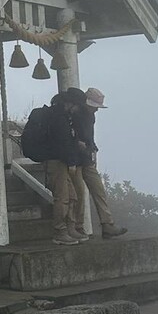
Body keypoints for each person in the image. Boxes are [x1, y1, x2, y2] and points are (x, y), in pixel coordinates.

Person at [72, 86, 127, 239]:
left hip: (87, 158)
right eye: (94, 106)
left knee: (99, 190)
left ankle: (107, 224)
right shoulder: (74, 114)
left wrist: (92, 149)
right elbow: (69, 135)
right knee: (79, 193)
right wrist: (78, 143)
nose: (96, 110)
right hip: (75, 159)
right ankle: (78, 226)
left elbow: (89, 136)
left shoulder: (91, 117)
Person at [44, 90, 91, 245]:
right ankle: (60, 231)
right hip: (56, 161)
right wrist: (71, 161)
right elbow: (63, 143)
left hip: (61, 161)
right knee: (63, 198)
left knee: (72, 196)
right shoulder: (59, 118)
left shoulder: (63, 117)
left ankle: (70, 228)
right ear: (71, 103)